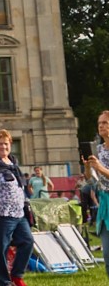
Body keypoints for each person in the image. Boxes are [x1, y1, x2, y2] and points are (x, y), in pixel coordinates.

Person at [0, 129, 35, 286]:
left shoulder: (12, 162)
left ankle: (17, 275)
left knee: (27, 241)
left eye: (7, 143)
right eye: (0, 144)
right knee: (2, 248)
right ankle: (4, 282)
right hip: (1, 213)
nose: (4, 147)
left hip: (18, 212)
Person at [82, 110, 109, 280]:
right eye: (99, 123)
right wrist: (87, 168)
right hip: (105, 205)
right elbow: (92, 181)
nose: (101, 126)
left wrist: (99, 167)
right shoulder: (98, 149)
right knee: (107, 255)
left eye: (105, 123)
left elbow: (101, 171)